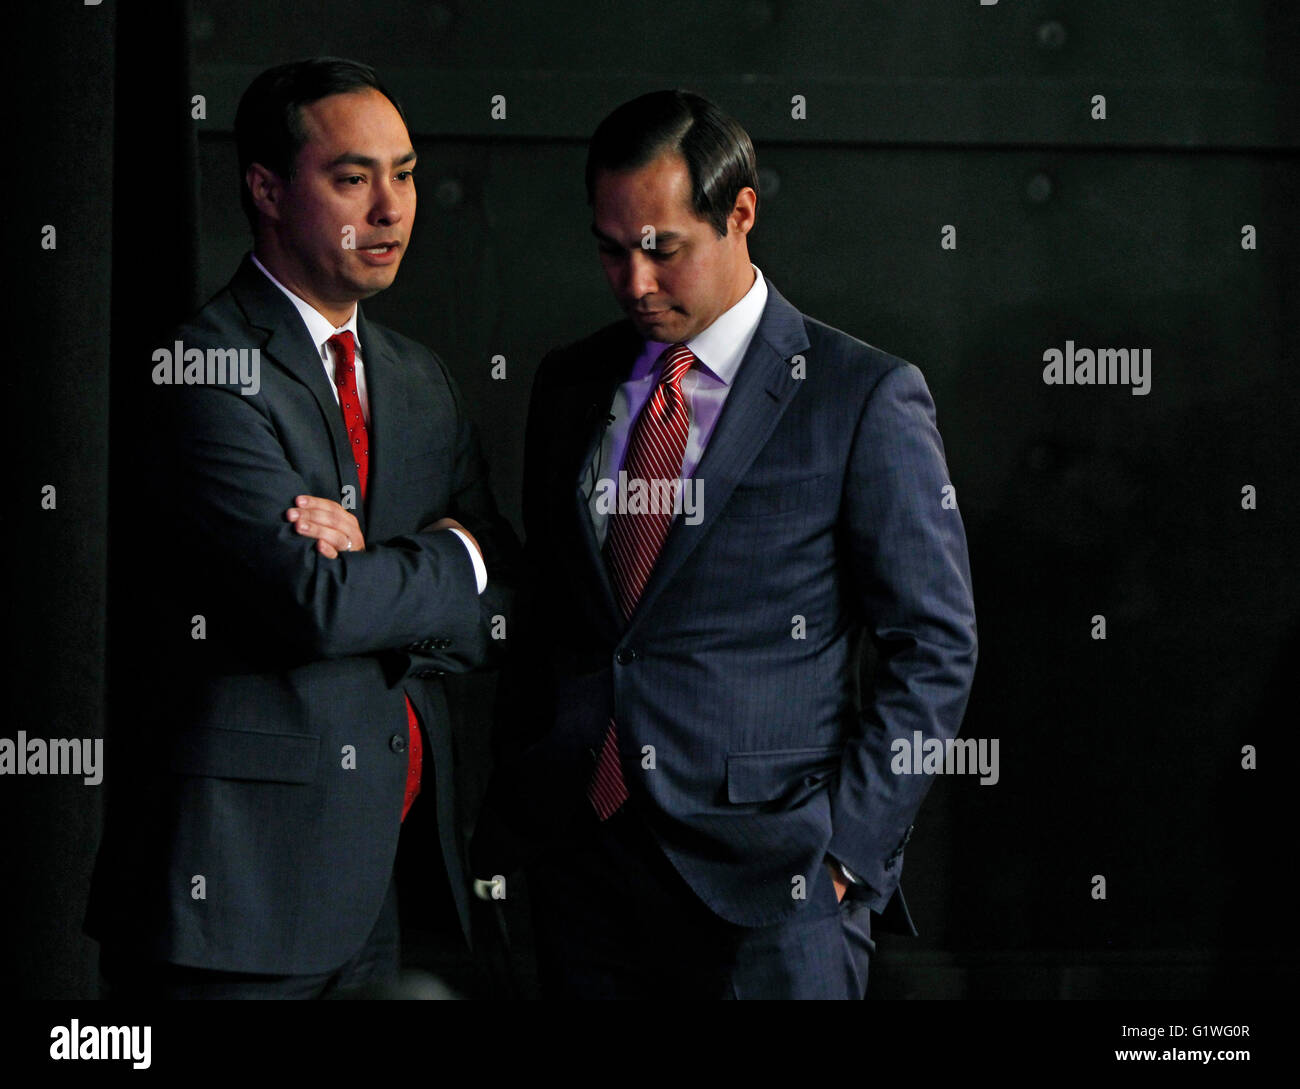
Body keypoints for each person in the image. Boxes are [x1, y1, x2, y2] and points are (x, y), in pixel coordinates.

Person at [472, 90, 977, 999]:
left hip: (774, 889)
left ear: (740, 213)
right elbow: (558, 612)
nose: (634, 282)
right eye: (611, 248)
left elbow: (935, 646)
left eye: (663, 247)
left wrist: (846, 858)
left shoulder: (861, 396)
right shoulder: (571, 382)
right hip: (582, 875)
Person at [85, 57, 517, 998]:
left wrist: (387, 571)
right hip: (231, 904)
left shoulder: (418, 380)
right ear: (268, 191)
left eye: (403, 174)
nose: (393, 207)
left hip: (382, 892)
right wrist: (448, 558)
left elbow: (503, 610)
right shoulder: (201, 369)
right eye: (353, 177)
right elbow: (314, 605)